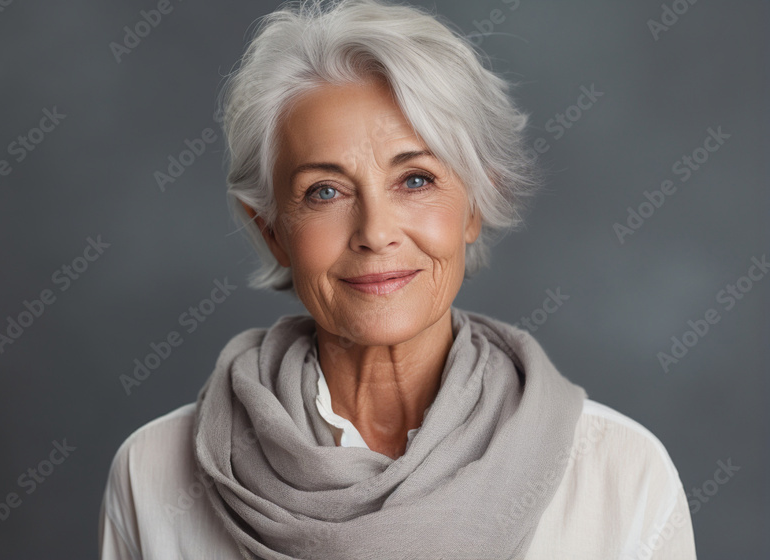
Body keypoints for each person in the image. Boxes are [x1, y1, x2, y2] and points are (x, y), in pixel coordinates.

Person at [99, 0, 696, 558]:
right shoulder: (153, 474)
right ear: (272, 230)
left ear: (475, 205)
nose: (375, 232)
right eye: (324, 191)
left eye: (415, 180)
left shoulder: (622, 473)